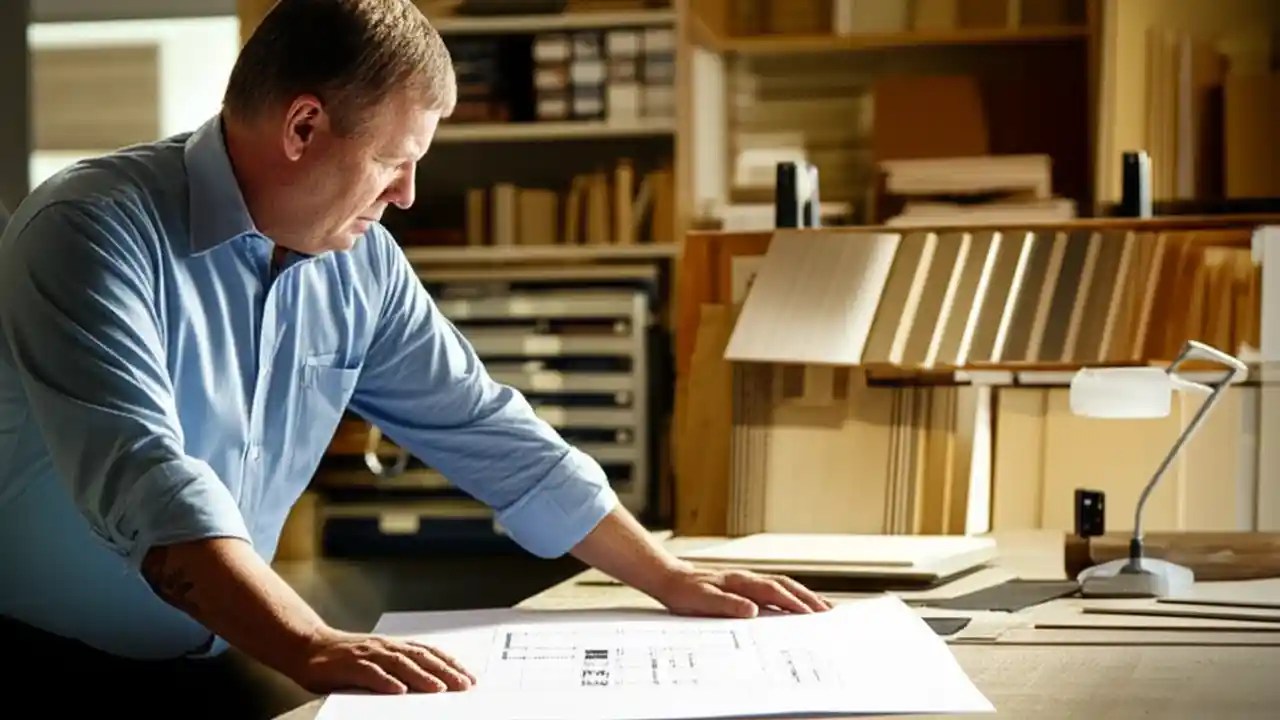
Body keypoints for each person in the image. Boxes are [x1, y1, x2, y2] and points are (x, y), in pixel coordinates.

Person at [0, 0, 829, 710]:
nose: (407, 195)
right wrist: (314, 643)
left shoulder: (358, 261)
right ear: (303, 125)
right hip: (48, 662)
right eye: (396, 160)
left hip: (218, 649)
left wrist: (668, 576)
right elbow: (147, 483)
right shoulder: (89, 232)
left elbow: (481, 423)